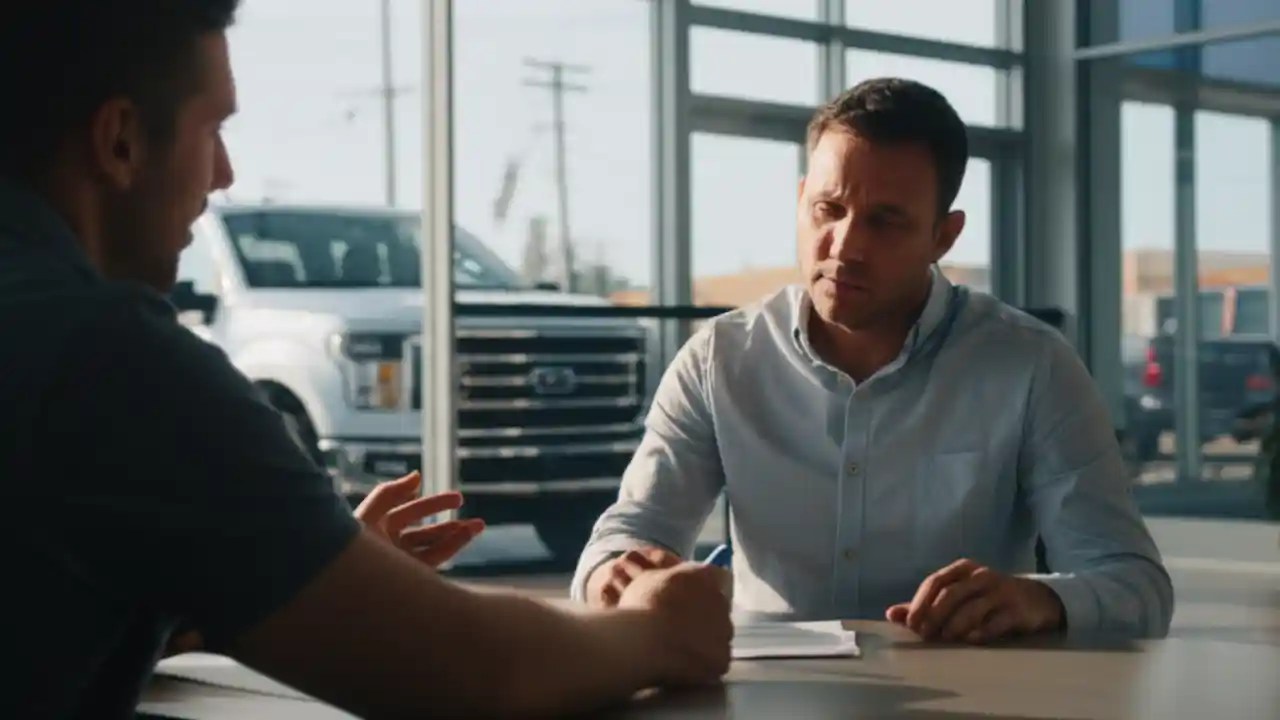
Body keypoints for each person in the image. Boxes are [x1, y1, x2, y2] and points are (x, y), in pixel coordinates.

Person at [0, 2, 731, 718]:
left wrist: (309, 573)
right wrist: (660, 628)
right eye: (214, 128)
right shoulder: (111, 361)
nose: (223, 174)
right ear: (121, 139)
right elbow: (479, 673)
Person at [573, 78, 1174, 644]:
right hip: (768, 696)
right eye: (828, 209)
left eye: (886, 221)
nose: (846, 246)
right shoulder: (720, 358)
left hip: (978, 699)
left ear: (944, 236)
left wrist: (1042, 601)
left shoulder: (1030, 365)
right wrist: (616, 577)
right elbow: (625, 536)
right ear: (801, 199)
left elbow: (1136, 585)